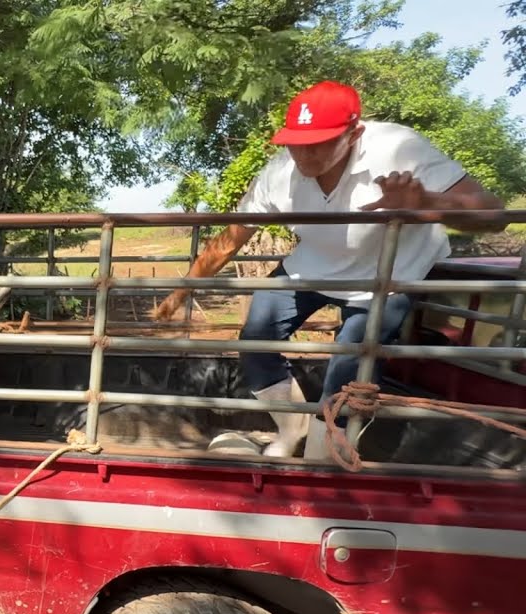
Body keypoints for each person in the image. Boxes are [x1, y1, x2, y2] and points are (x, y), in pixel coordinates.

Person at [153, 80, 506, 459]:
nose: (304, 155)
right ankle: (293, 433)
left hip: (387, 275)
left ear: (354, 134)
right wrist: (181, 291)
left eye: (319, 143)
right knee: (255, 341)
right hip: (312, 265)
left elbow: (494, 214)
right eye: (295, 142)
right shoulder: (278, 173)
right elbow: (232, 237)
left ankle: (321, 457)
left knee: (349, 369)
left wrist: (429, 203)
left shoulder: (399, 149)